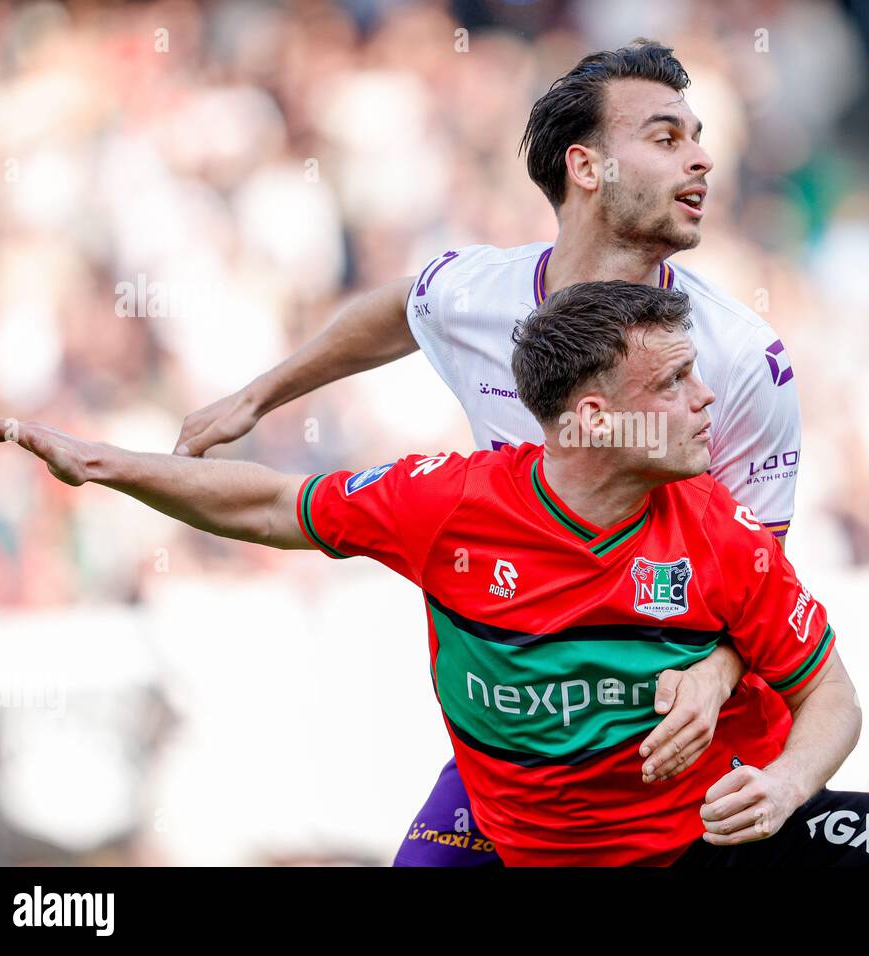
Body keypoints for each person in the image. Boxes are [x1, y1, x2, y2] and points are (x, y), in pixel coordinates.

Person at [0, 280, 869, 866]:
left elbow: (830, 692)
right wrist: (106, 463)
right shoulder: (451, 501)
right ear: (593, 414)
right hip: (512, 851)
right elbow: (267, 503)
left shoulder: (719, 532)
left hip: (702, 848)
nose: (706, 402)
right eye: (678, 380)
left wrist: (784, 785)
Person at [171, 39, 802, 866]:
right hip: (528, 733)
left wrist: (715, 674)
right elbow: (400, 310)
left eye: (697, 136)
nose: (702, 159)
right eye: (665, 138)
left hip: (674, 739)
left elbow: (762, 562)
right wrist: (257, 396)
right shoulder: (480, 294)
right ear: (586, 167)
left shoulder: (742, 358)